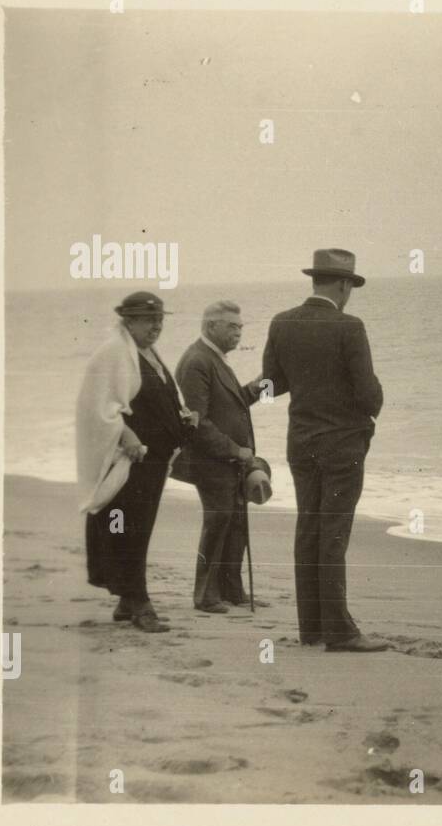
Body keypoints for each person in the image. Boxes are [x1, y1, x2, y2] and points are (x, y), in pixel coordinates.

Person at [259, 249, 389, 652]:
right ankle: (339, 632)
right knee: (333, 533)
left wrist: (238, 396)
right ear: (344, 285)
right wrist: (374, 398)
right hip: (342, 447)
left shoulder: (282, 322)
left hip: (301, 443)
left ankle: (311, 627)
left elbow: (272, 384)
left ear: (315, 280)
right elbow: (368, 395)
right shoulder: (350, 327)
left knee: (308, 530)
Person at [76, 291, 198, 633]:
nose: (156, 326)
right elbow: (95, 406)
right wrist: (125, 434)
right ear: (128, 321)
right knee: (127, 528)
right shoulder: (113, 352)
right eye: (148, 320)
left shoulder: (146, 352)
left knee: (137, 529)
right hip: (129, 460)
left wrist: (183, 417)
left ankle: (127, 602)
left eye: (159, 320)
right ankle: (140, 604)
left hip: (153, 460)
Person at [170, 300, 270, 614]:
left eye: (240, 327)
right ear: (211, 326)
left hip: (228, 461)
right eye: (231, 326)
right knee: (218, 521)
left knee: (235, 522)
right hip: (210, 460)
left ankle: (231, 590)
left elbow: (233, 403)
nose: (238, 332)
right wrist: (236, 450)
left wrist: (265, 384)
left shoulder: (214, 358)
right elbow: (197, 422)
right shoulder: (197, 360)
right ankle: (205, 595)